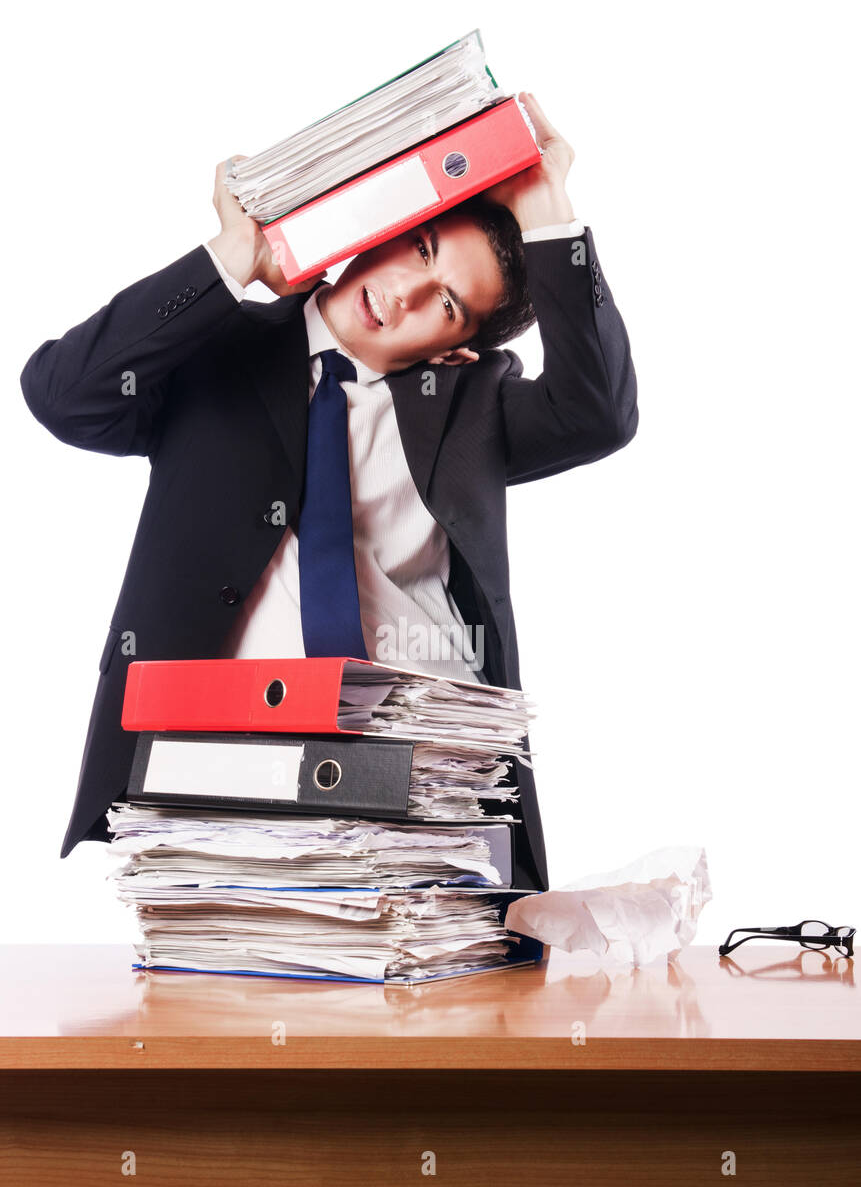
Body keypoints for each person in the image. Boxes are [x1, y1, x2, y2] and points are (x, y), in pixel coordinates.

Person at [20, 93, 638, 889]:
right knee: (230, 987)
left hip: (426, 768)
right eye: (418, 248)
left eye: (446, 305)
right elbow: (62, 394)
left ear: (455, 350)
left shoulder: (469, 402)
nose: (407, 295)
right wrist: (229, 258)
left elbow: (599, 413)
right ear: (379, 230)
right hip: (226, 759)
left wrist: (547, 209)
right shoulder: (214, 357)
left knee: (435, 1001)